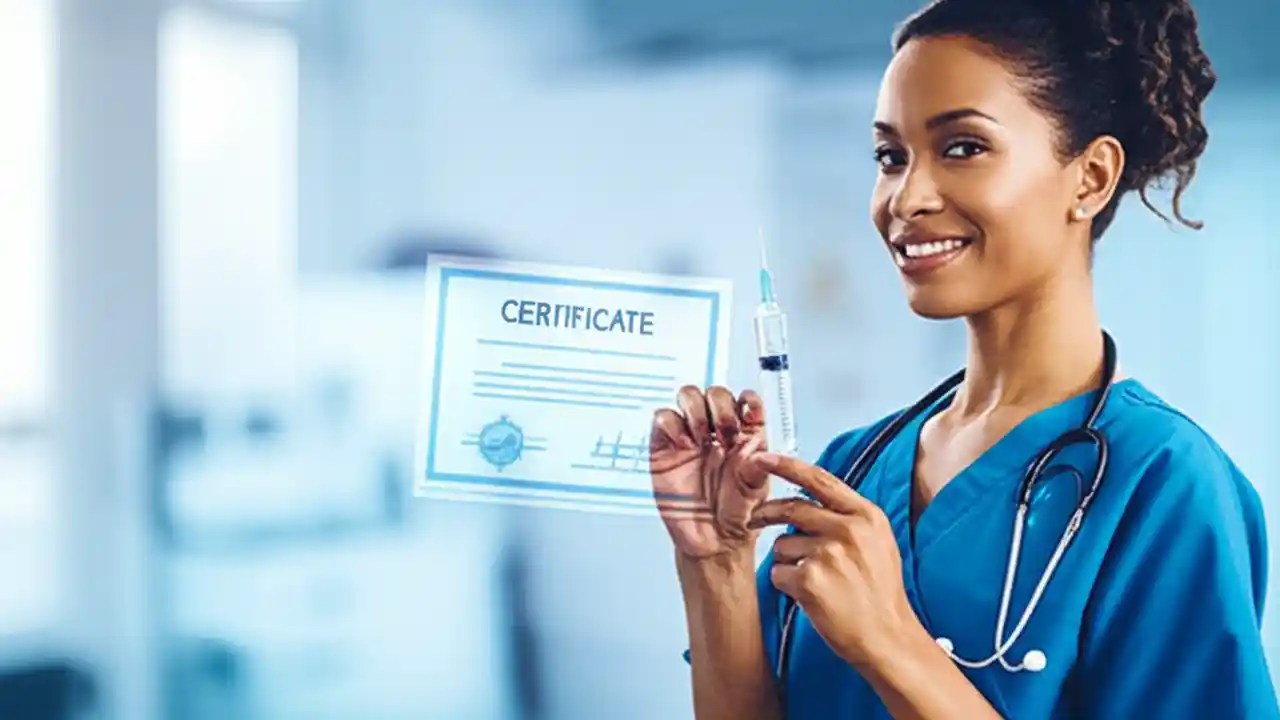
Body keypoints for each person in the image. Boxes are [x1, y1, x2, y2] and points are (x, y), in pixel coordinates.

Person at [648, 0, 1280, 717]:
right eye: (891, 157)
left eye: (962, 148)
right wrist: (716, 565)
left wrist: (891, 641)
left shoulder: (1164, 483)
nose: (906, 197)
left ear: (1092, 177)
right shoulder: (853, 466)